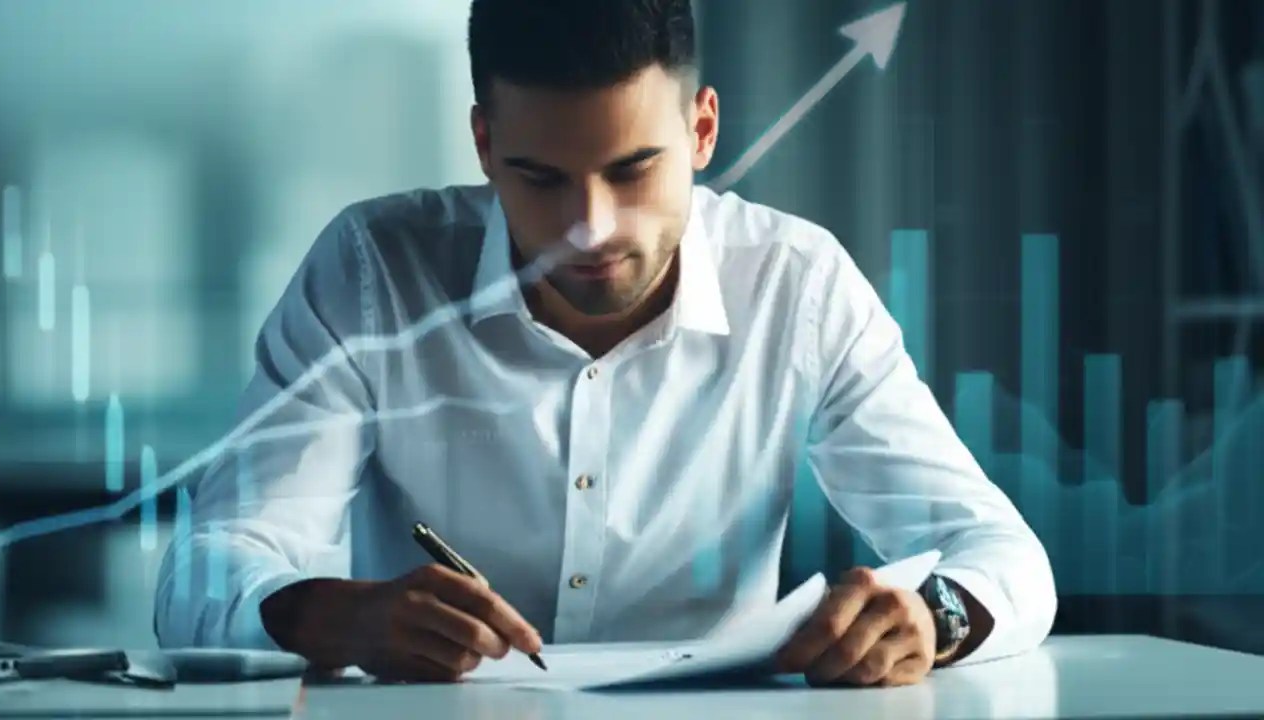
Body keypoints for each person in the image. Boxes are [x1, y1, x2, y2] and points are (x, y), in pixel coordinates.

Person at [154, 0, 1056, 688]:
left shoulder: (799, 284)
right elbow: (209, 566)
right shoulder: (371, 271)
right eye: (540, 178)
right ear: (483, 141)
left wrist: (931, 617)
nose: (588, 229)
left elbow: (1004, 557)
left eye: (633, 171)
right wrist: (330, 618)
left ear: (702, 131)